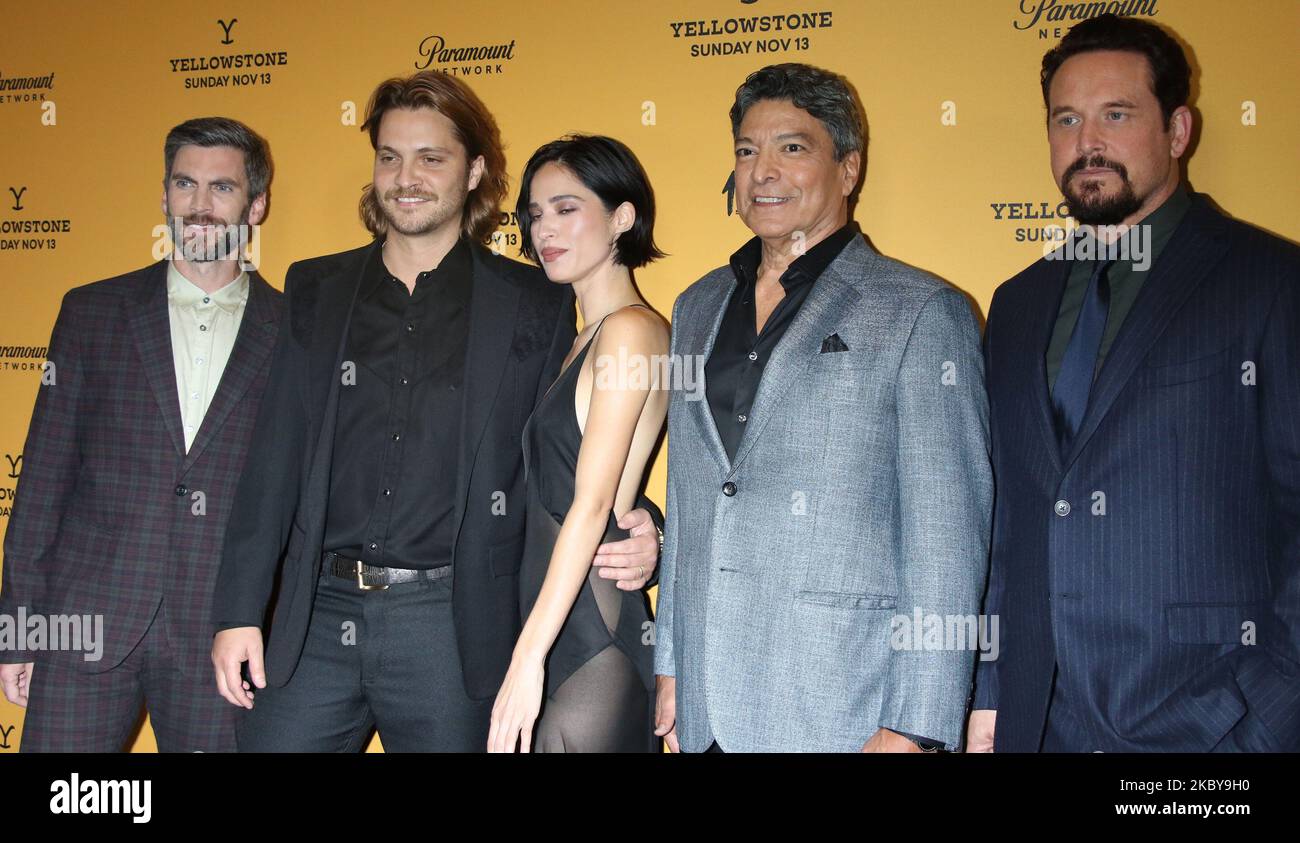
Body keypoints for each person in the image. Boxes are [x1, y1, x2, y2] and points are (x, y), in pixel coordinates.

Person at [210, 72, 662, 752]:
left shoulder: (534, 301)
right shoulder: (316, 287)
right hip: (316, 614)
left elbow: (557, 456)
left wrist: (644, 524)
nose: (406, 176)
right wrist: (240, 608)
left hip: (453, 626)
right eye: (389, 156)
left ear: (475, 169)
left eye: (432, 158)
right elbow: (274, 454)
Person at [968, 14, 1300, 752]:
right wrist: (990, 692)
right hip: (1035, 723)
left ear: (1179, 130)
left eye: (1116, 115)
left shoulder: (1272, 282)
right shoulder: (1016, 304)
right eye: (1067, 119)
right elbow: (1009, 515)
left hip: (1209, 727)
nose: (1087, 142)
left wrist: (1267, 717)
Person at [653, 63, 992, 753]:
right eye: (747, 151)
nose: (763, 171)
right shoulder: (695, 307)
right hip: (707, 707)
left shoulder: (922, 311)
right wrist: (673, 665)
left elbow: (947, 534)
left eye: (793, 147)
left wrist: (917, 724)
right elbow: (693, 500)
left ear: (849, 167)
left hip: (846, 707)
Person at [0, 117, 280, 751]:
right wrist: (19, 627)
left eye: (222, 188)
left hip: (222, 633)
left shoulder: (293, 330)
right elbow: (42, 479)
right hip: (83, 623)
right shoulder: (91, 312)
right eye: (185, 184)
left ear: (256, 204)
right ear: (164, 196)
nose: (201, 206)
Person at [487, 136, 668, 753]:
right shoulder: (579, 338)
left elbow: (592, 506)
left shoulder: (632, 332)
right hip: (558, 614)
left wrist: (527, 659)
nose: (544, 229)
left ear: (623, 217)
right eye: (535, 213)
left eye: (567, 208)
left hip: (589, 628)